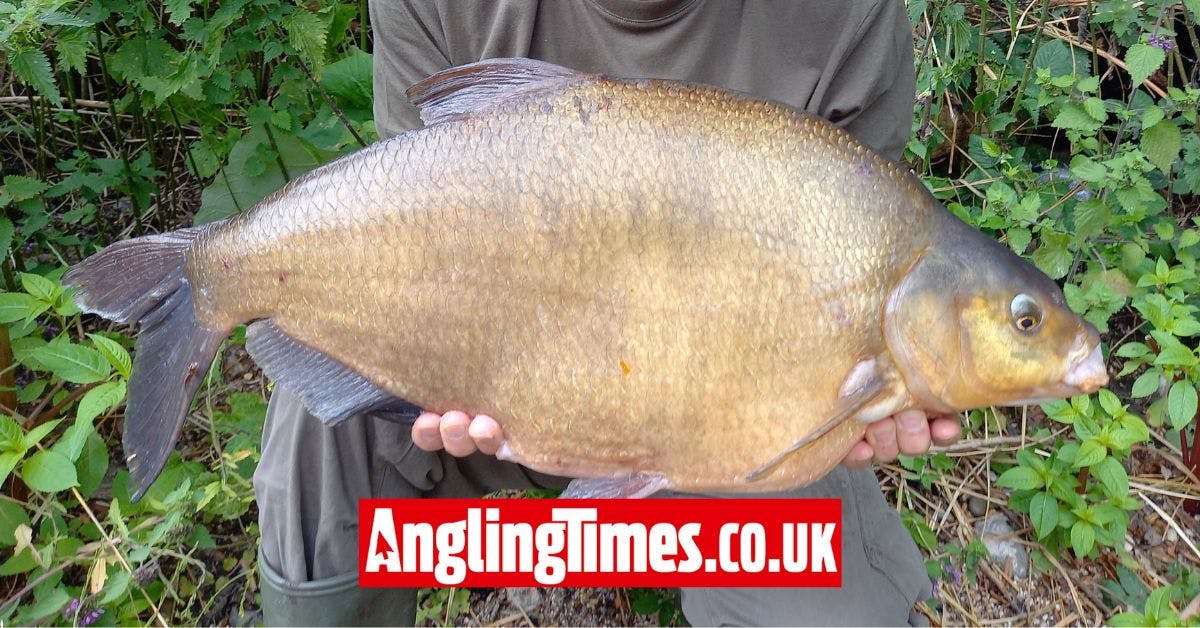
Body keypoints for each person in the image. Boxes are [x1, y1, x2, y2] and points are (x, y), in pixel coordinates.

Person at [253, 1, 962, 625]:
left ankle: (651, 550)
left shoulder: (845, 15)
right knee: (316, 433)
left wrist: (865, 400)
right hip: (492, 385)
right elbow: (408, 223)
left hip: (737, 424)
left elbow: (873, 247)